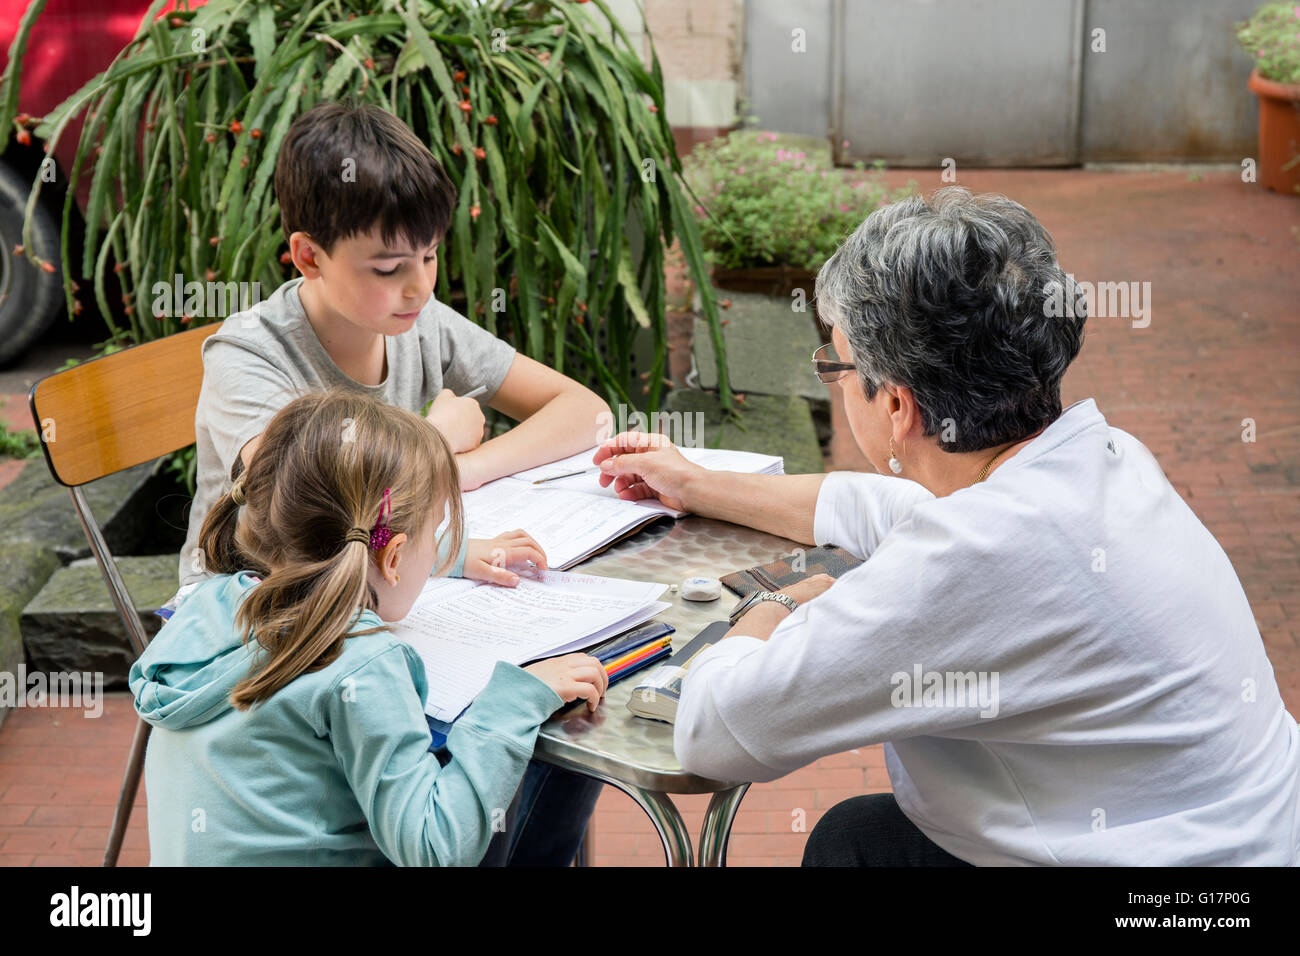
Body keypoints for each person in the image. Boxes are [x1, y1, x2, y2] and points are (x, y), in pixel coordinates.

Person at [592, 187, 1300, 866]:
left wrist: (770, 608)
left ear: (897, 406)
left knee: (854, 844)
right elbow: (884, 509)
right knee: (858, 838)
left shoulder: (977, 557)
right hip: (1248, 834)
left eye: (833, 365)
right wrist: (698, 485)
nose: (832, 383)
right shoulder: (1099, 461)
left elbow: (716, 731)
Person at [172, 101, 610, 864]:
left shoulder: (421, 322)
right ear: (307, 256)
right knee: (510, 732)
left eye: (431, 256)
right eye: (387, 268)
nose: (417, 286)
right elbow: (312, 505)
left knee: (556, 713)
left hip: (377, 588)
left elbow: (585, 412)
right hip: (259, 620)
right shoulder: (247, 358)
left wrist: (452, 476)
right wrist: (431, 452)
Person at [133, 391, 608, 865]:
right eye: (436, 533)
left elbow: (341, 550)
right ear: (395, 556)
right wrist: (509, 704)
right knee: (538, 765)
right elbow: (433, 848)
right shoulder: (361, 662)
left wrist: (448, 557)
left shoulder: (209, 600)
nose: (438, 545)